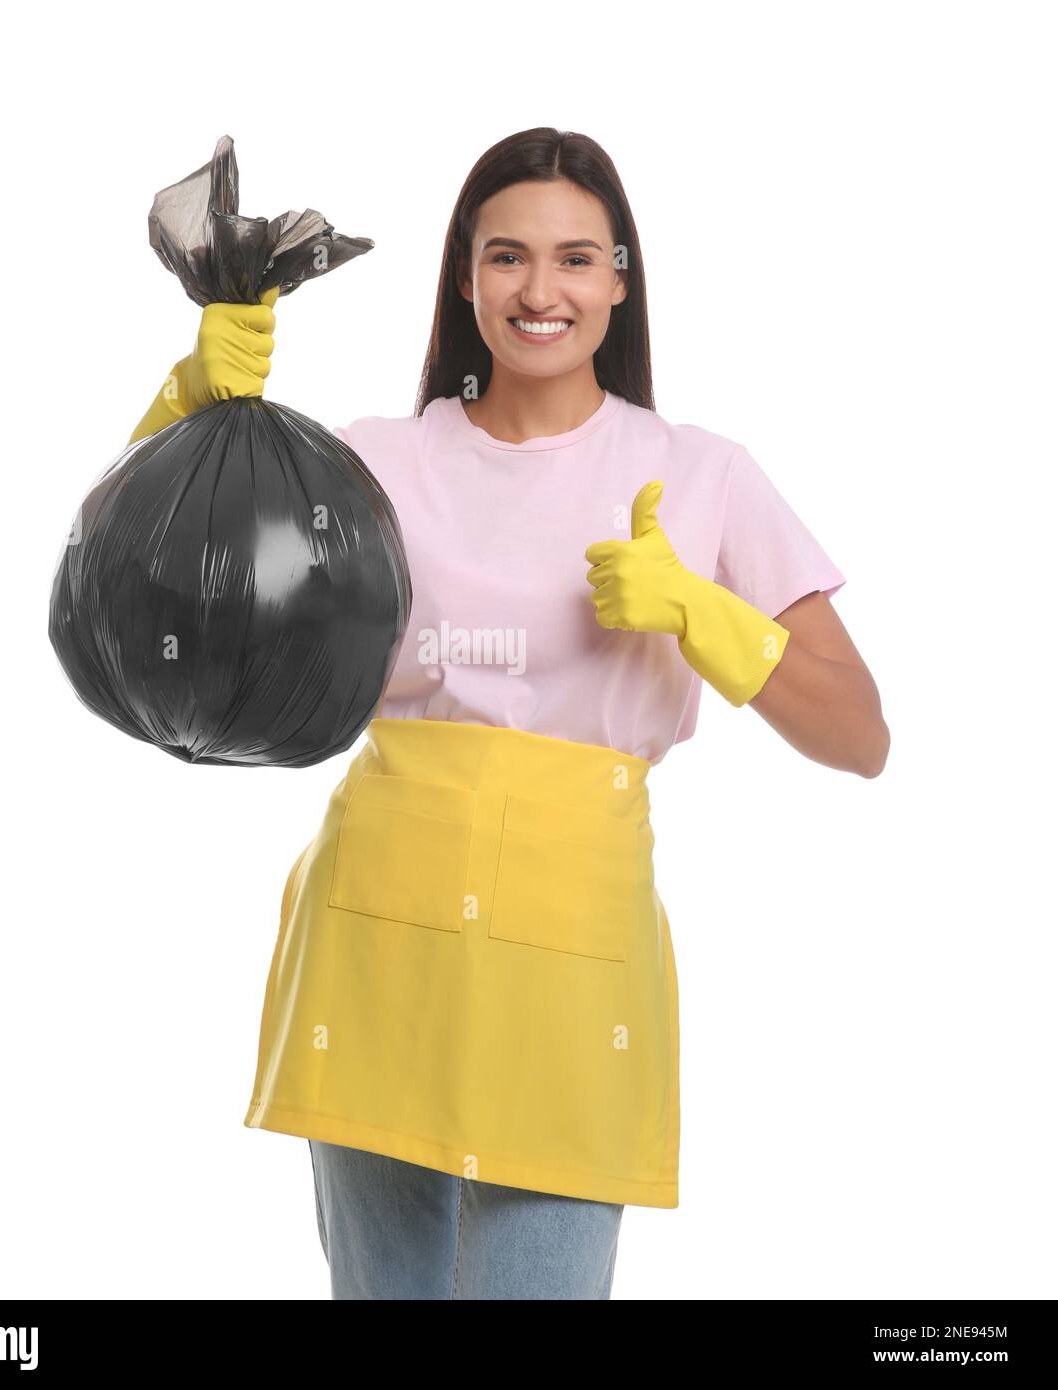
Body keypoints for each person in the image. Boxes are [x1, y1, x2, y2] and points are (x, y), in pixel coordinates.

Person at [129, 127, 889, 1300]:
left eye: (577, 258)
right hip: (379, 943)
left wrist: (710, 618)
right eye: (507, 258)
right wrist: (192, 413)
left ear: (620, 280)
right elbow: (164, 592)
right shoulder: (372, 463)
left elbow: (859, 735)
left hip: (568, 964)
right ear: (465, 278)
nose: (542, 291)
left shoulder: (702, 476)